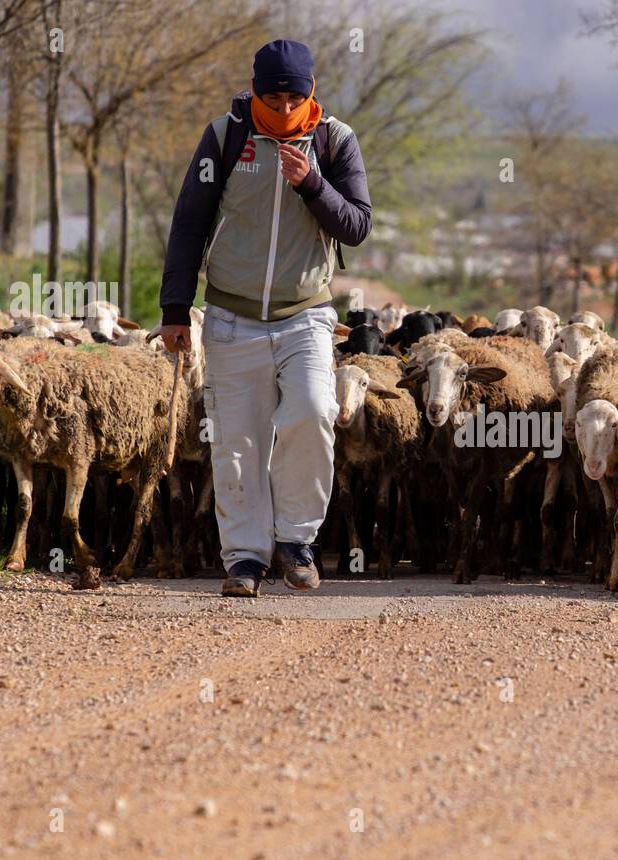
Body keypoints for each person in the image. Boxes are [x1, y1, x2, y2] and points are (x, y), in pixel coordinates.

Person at [158, 39, 371, 596]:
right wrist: (174, 310)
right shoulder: (224, 136)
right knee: (237, 440)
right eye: (271, 98)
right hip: (231, 314)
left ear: (311, 93)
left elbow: (356, 226)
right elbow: (188, 224)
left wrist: (312, 184)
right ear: (254, 91)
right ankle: (245, 560)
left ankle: (297, 542)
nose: (281, 110)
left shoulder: (336, 140)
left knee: (313, 411)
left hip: (306, 315)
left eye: (292, 99)